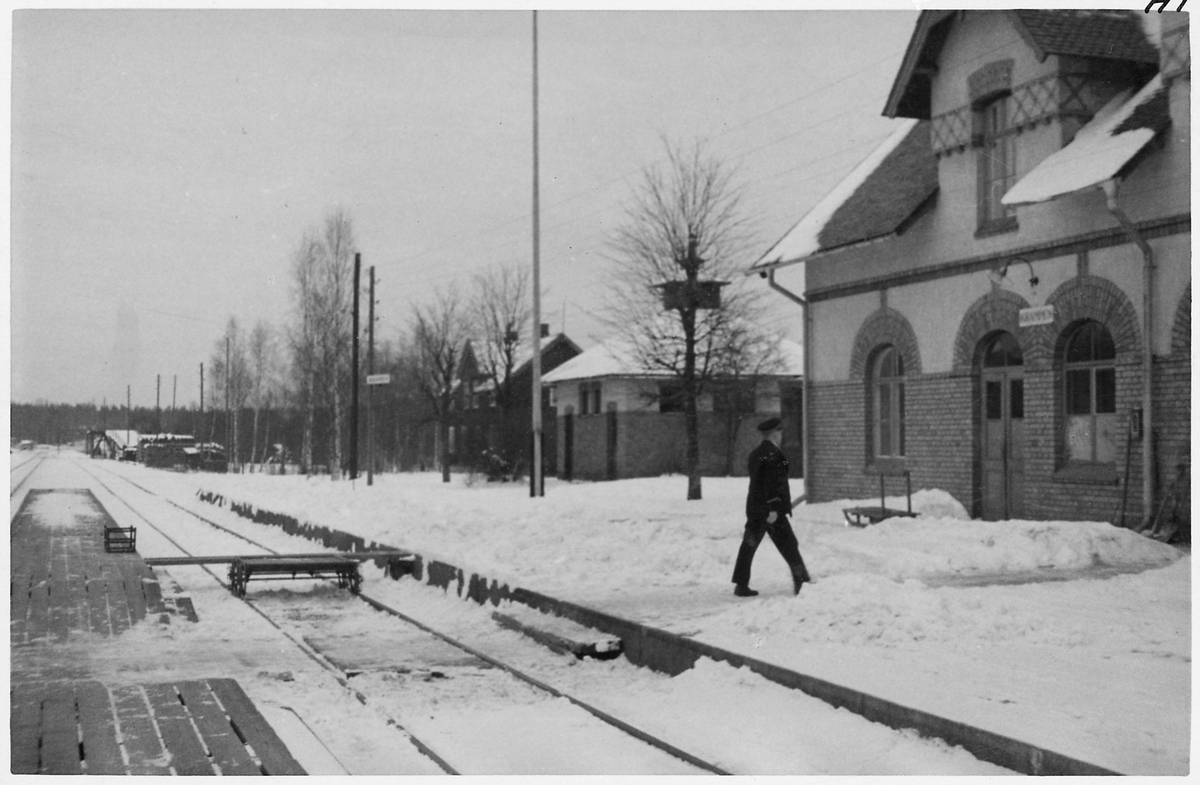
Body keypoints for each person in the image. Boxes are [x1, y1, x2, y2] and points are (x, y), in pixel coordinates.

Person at [731, 416, 811, 597]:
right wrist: (774, 508)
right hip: (770, 512)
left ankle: (741, 584)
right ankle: (802, 582)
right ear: (775, 433)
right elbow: (772, 483)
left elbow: (758, 483)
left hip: (755, 509)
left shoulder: (756, 453)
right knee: (790, 545)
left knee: (749, 545)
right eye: (780, 431)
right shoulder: (774, 455)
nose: (781, 435)